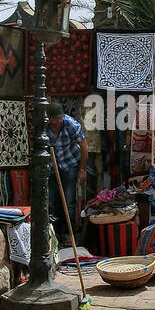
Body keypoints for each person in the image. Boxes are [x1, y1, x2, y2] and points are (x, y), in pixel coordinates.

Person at [46, 102, 87, 241]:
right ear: (49, 118)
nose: (58, 121)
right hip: (53, 166)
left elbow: (83, 146)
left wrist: (82, 169)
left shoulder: (71, 124)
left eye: (60, 118)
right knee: (52, 202)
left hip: (70, 164)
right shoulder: (44, 127)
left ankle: (70, 234)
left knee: (69, 201)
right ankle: (55, 235)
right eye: (55, 119)